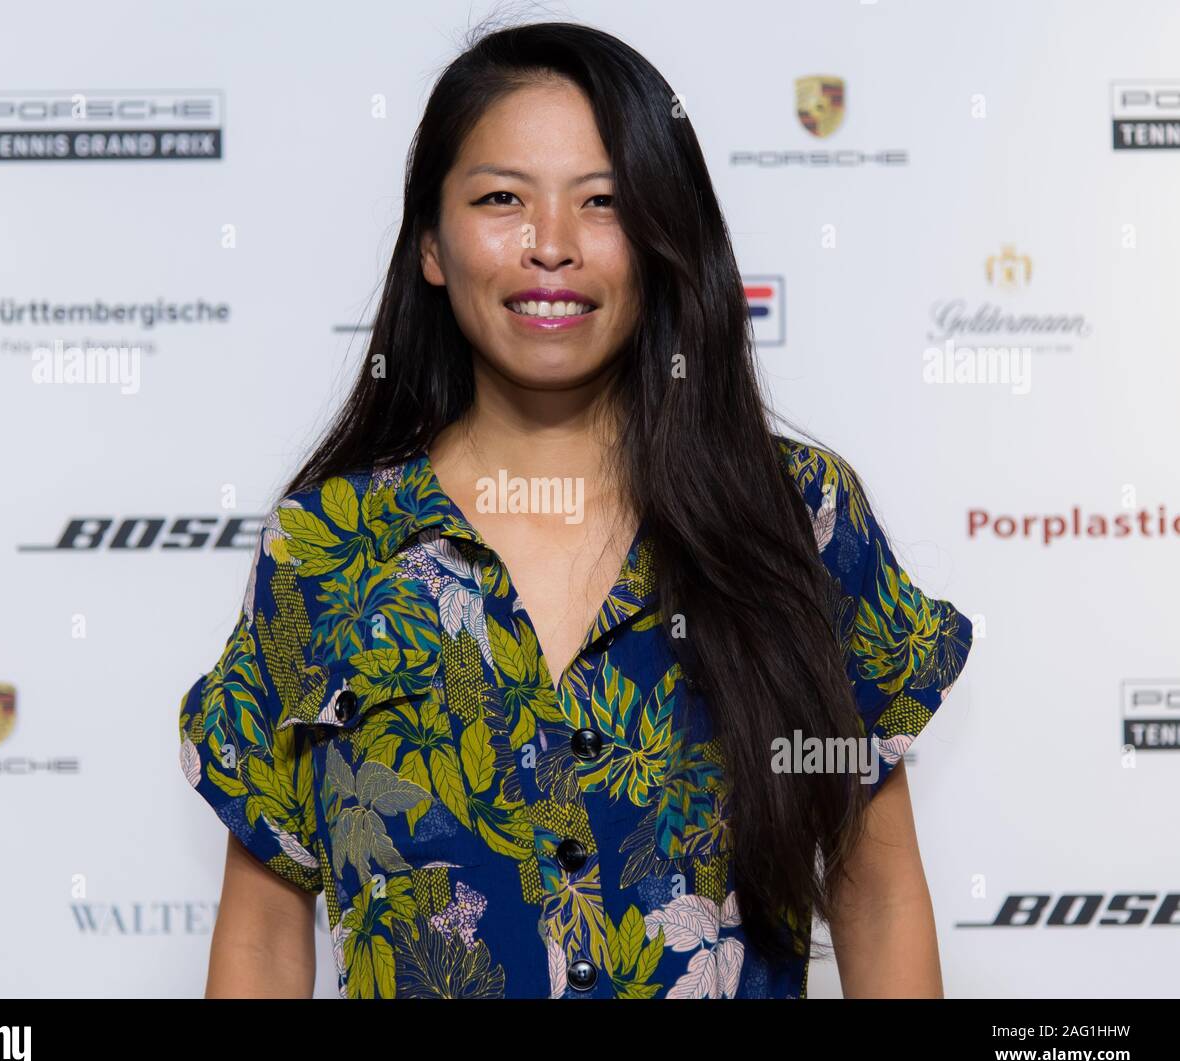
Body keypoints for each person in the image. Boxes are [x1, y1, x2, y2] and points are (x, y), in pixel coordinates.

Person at [177, 19, 973, 999]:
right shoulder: (325, 548)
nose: (550, 246)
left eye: (602, 203)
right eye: (501, 199)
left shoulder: (799, 519)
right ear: (430, 242)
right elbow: (261, 928)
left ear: (660, 239)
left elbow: (879, 896)